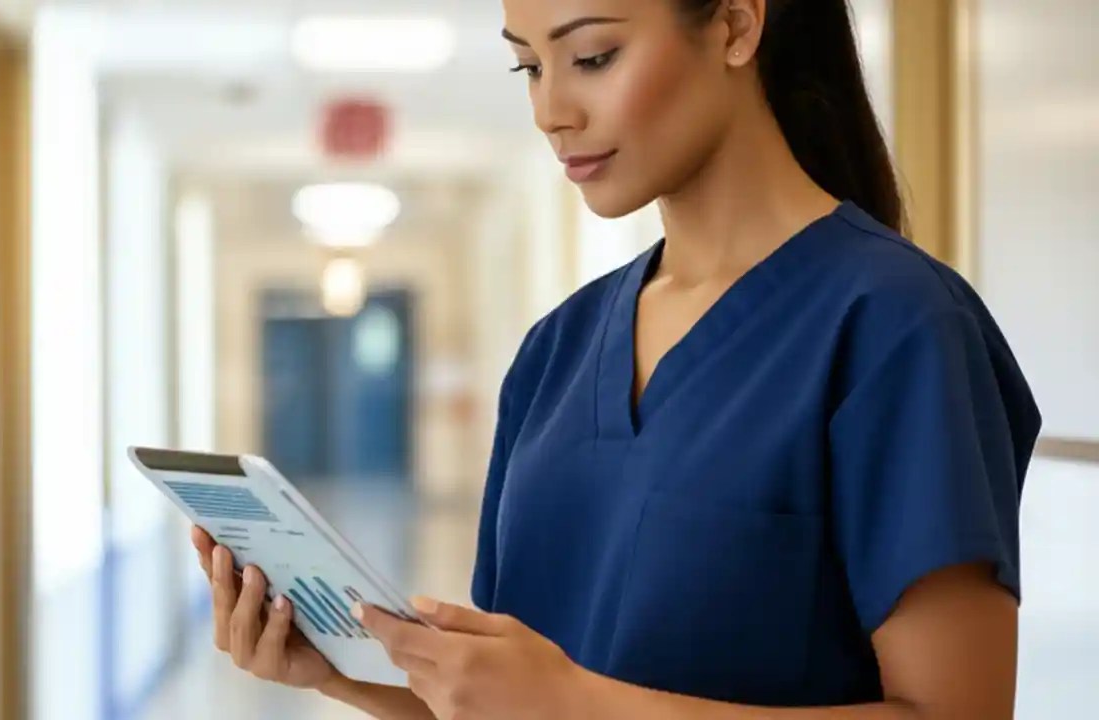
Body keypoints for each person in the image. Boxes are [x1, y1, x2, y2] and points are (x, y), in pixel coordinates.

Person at [191, 0, 1042, 717]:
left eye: (593, 57)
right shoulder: (555, 352)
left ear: (736, 25)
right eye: (529, 67)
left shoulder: (894, 324)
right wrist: (343, 676)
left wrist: (580, 703)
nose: (551, 111)